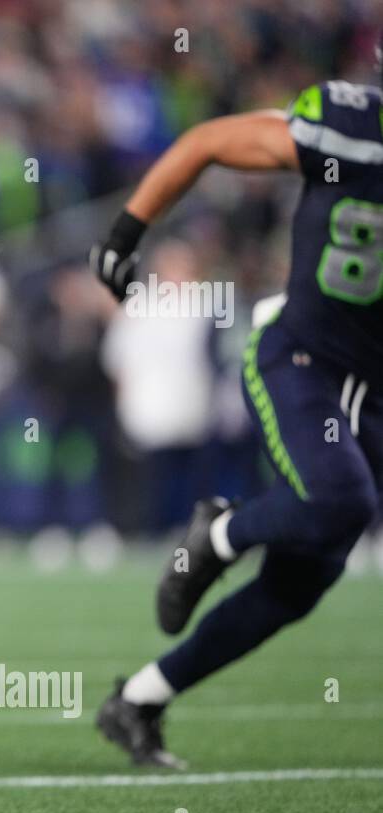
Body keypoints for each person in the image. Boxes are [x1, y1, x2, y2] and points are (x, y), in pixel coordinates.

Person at [90, 51, 383, 767]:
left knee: (299, 583)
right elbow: (207, 142)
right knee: (342, 503)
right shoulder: (350, 130)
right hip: (303, 359)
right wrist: (128, 231)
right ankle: (220, 530)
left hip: (374, 390)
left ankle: (141, 698)